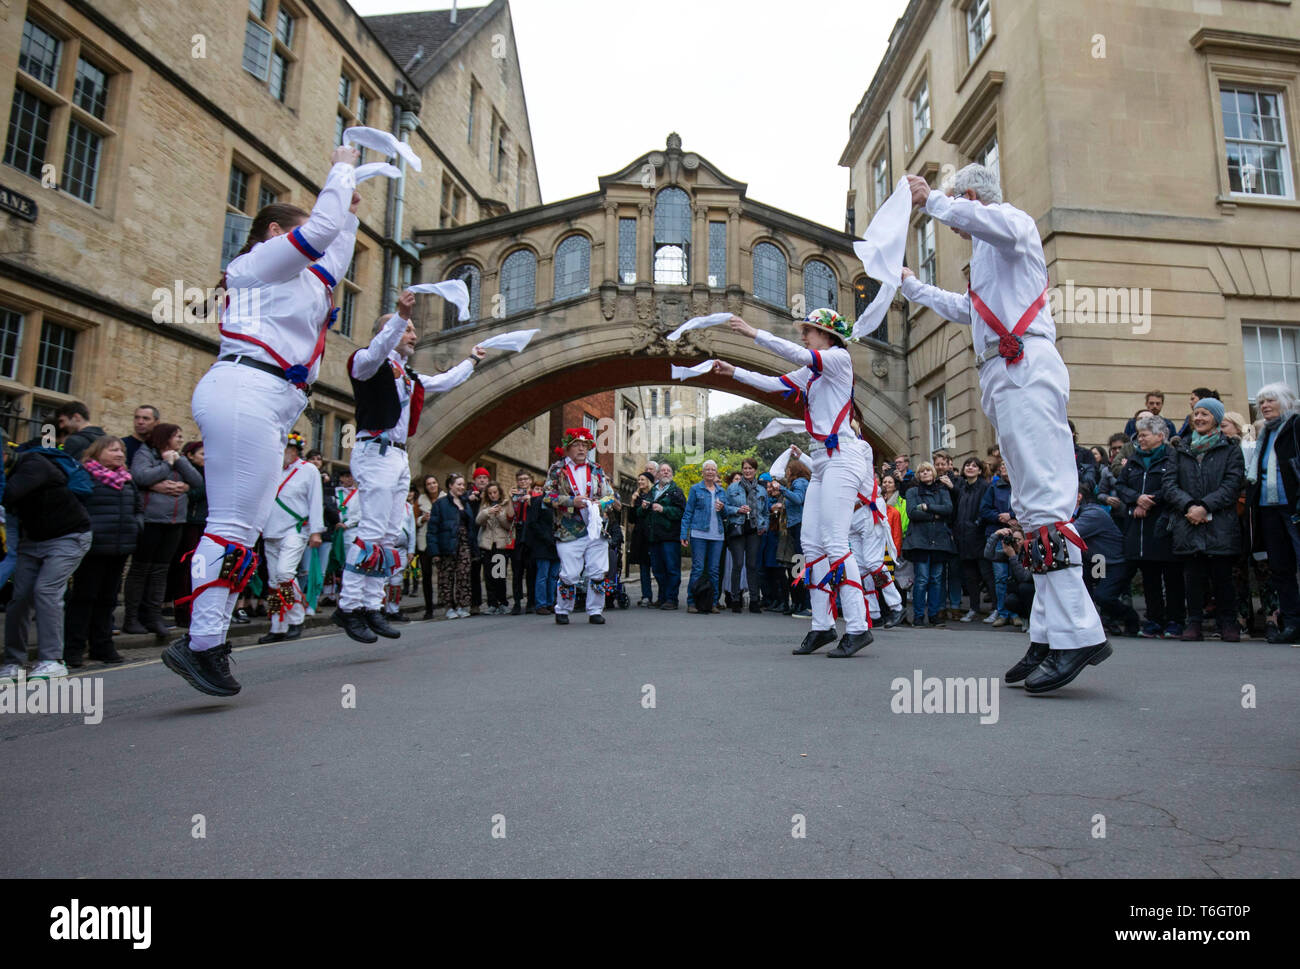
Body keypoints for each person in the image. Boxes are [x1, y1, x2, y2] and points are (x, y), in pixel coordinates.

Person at [900, 165, 1109, 692]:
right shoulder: (988, 263)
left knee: (1043, 504)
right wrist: (912, 287)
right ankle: (1047, 632)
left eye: (957, 209)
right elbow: (966, 309)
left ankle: (1078, 633)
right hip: (1003, 372)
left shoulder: (1011, 224)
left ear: (970, 198)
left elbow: (994, 225)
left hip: (1023, 368)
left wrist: (933, 202)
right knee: (1029, 509)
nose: (952, 225)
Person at [165, 145, 362, 697]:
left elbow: (334, 251)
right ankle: (203, 642)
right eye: (299, 232)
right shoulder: (254, 263)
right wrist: (342, 166)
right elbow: (321, 233)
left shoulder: (302, 279)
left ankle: (210, 639)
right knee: (230, 527)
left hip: (270, 400)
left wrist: (348, 208)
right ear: (275, 232)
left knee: (243, 533)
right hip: (245, 388)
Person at [714, 308, 873, 658]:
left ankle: (859, 626)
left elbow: (798, 354)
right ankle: (822, 625)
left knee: (834, 539)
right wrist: (733, 371)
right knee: (811, 543)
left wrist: (753, 333)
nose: (803, 336)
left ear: (827, 336)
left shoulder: (838, 358)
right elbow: (774, 383)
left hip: (843, 455)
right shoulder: (814, 373)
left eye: (809, 331)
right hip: (821, 459)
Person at [334, 290, 485, 643]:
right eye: (407, 330)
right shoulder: (365, 362)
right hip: (375, 450)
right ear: (386, 333)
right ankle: (348, 605)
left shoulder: (407, 374)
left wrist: (472, 360)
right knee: (371, 530)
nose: (414, 335)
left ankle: (372, 605)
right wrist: (399, 316)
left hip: (398, 455)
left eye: (413, 329)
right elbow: (377, 349)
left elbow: (443, 382)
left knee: (388, 534)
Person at [0, 444, 92, 682]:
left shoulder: (34, 464)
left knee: (46, 590)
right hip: (32, 541)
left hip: (69, 537)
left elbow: (8, 494)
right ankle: (13, 663)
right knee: (19, 598)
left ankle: (52, 661)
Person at [1163, 397, 1245, 642]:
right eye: (1196, 414)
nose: (1198, 418)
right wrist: (1189, 506)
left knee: (1222, 576)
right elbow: (1169, 485)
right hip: (1187, 521)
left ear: (1216, 420)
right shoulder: (1179, 448)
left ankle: (1228, 622)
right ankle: (1194, 623)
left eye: (1205, 414)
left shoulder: (1230, 448)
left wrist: (1205, 506)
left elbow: (1232, 484)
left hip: (1219, 522)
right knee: (1192, 576)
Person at [64, 436, 140, 667]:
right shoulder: (85, 476)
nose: (119, 454)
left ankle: (102, 646)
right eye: (113, 450)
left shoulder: (127, 480)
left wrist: (137, 526)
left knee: (108, 600)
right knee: (84, 598)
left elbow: (138, 508)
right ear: (98, 452)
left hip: (120, 547)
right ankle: (73, 649)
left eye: (121, 451)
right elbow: (75, 508)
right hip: (93, 547)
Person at [127, 423, 203, 638]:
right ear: (165, 437)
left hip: (175, 521)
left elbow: (197, 481)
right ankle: (132, 617)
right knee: (141, 570)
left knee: (161, 570)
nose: (180, 440)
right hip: (151, 520)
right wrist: (165, 466)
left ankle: (153, 615)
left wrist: (179, 464)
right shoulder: (146, 454)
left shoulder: (178, 457)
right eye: (176, 436)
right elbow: (140, 477)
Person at [1114, 415, 1184, 638]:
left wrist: (1149, 501)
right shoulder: (1134, 459)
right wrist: (1136, 499)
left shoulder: (1172, 458)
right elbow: (1121, 485)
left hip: (1164, 525)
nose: (1139, 439)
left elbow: (1175, 485)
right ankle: (1154, 619)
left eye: (1144, 435)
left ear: (1160, 436)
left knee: (1172, 577)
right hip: (1140, 529)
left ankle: (1175, 620)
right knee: (1150, 577)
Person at [543, 427, 621, 624]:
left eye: (584, 445)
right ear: (568, 448)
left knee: (597, 571)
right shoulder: (558, 469)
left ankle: (595, 610)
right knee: (569, 573)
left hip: (596, 528)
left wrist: (601, 503)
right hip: (569, 529)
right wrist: (571, 501)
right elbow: (547, 496)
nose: (581, 449)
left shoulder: (596, 469)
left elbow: (611, 495)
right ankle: (562, 609)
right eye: (576, 445)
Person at [1246, 383, 1300, 643]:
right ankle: (1292, 623)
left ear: (1286, 402)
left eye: (1270, 401)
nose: (1264, 406)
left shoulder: (1296, 427)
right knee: (1281, 568)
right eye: (1261, 402)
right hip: (1268, 508)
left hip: (1293, 506)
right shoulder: (1265, 433)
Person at [257, 432, 324, 644]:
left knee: (285, 573)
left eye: (286, 448)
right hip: (270, 530)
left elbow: (315, 501)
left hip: (295, 530)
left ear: (295, 450)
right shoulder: (271, 470)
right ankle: (278, 625)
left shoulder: (308, 470)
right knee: (274, 581)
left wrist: (316, 531)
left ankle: (296, 619)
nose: (282, 453)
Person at [1074, 484, 1141, 636]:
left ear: (1079, 496)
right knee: (1083, 585)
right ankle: (1104, 621)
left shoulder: (1092, 514)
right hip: (1099, 561)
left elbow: (1071, 533)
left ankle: (1130, 617)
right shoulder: (1079, 514)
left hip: (1116, 563)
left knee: (1104, 596)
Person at [902, 462, 956, 626]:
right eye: (922, 471)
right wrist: (935, 515)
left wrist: (927, 507)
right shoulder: (912, 491)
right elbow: (912, 512)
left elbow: (948, 509)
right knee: (922, 579)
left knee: (936, 579)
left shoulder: (942, 490)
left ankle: (934, 615)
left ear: (933, 473)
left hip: (939, 540)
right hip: (920, 540)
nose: (925, 473)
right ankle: (918, 616)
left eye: (928, 470)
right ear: (918, 475)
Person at [849, 472, 904, 628]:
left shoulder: (855, 459)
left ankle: (896, 606)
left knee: (873, 563)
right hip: (851, 517)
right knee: (861, 568)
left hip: (868, 511)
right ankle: (874, 613)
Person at [722, 457, 768, 613]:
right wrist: (737, 510)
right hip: (737, 528)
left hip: (755, 530)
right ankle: (735, 599)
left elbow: (765, 512)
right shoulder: (733, 488)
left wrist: (764, 526)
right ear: (742, 470)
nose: (747, 471)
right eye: (745, 468)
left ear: (755, 470)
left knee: (752, 565)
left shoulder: (762, 490)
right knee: (738, 564)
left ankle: (755, 600)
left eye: (750, 468)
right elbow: (724, 507)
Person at [680, 460, 726, 613]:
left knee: (714, 570)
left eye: (713, 469)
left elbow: (725, 515)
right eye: (707, 469)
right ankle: (691, 602)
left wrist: (723, 508)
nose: (710, 472)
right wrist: (684, 533)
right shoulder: (695, 489)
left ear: (716, 473)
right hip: (698, 533)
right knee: (698, 569)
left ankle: (712, 603)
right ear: (702, 472)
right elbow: (688, 512)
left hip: (717, 535)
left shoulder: (721, 491)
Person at [428, 473, 476, 619]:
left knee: (463, 575)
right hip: (447, 544)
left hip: (464, 543)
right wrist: (434, 551)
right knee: (446, 577)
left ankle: (462, 605)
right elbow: (432, 529)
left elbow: (470, 527)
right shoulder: (440, 504)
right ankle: (449, 607)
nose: (462, 487)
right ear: (450, 485)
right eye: (459, 484)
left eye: (463, 485)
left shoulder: (465, 503)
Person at [639, 460, 685, 610]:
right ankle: (662, 597)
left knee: (672, 568)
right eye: (663, 470)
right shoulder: (651, 492)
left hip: (670, 536)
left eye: (668, 471)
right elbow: (639, 513)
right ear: (657, 474)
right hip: (654, 537)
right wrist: (644, 507)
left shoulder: (676, 491)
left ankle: (671, 599)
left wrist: (664, 509)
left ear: (672, 475)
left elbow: (681, 512)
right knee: (657, 569)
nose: (665, 472)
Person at [953, 456, 994, 622]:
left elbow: (984, 511)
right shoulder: (962, 488)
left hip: (978, 537)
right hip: (962, 537)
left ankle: (997, 608)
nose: (970, 468)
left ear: (979, 470)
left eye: (974, 466)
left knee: (986, 575)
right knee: (970, 577)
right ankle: (973, 608)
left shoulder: (985, 487)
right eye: (967, 465)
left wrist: (976, 525)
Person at [978, 460, 1017, 626]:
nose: (1003, 468)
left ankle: (1016, 613)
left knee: (1015, 575)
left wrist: (1012, 515)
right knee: (1000, 577)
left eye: (1006, 465)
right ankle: (1002, 613)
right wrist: (998, 517)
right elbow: (984, 509)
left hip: (1017, 535)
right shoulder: (993, 488)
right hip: (997, 534)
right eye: (1001, 466)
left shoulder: (1020, 486)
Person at [931, 450, 963, 618]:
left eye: (943, 464)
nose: (940, 467)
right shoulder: (932, 482)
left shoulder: (958, 481)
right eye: (937, 464)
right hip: (938, 530)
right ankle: (941, 606)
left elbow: (963, 500)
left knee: (955, 571)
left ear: (949, 463)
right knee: (940, 572)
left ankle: (956, 606)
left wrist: (952, 487)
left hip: (955, 529)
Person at [475, 481, 514, 615]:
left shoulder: (506, 504)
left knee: (499, 575)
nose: (493, 495)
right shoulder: (484, 506)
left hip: (500, 545)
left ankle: (502, 602)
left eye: (495, 492)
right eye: (490, 493)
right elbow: (478, 521)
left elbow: (509, 526)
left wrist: (499, 516)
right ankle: (492, 603)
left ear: (499, 492)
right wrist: (487, 512)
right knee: (488, 575)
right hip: (487, 544)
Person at [780, 458, 812, 617]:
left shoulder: (799, 482)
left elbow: (799, 499)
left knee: (800, 563)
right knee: (797, 564)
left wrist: (782, 490)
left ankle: (803, 603)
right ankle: (799, 602)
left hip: (799, 525)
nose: (786, 472)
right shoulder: (802, 482)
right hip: (797, 525)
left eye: (788, 469)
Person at [525, 479, 559, 615]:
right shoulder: (539, 502)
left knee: (553, 576)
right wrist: (546, 538)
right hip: (543, 544)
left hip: (557, 543)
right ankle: (541, 604)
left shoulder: (559, 503)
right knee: (542, 575)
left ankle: (551, 602)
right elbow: (533, 523)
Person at [509, 471, 537, 615]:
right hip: (518, 535)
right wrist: (510, 500)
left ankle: (531, 601)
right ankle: (517, 602)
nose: (523, 482)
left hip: (531, 536)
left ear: (531, 480)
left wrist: (531, 500)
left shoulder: (536, 495)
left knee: (531, 571)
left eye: (526, 479)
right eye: (520, 479)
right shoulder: (514, 497)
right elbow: (508, 516)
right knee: (517, 572)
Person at [385, 494, 417, 623]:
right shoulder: (384, 504)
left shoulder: (408, 507)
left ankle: (393, 609)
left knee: (396, 580)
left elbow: (412, 530)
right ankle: (378, 610)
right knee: (383, 580)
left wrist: (411, 550)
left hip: (401, 549)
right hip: (386, 548)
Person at [628, 472, 656, 607]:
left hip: (653, 535)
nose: (640, 482)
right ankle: (646, 596)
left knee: (657, 567)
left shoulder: (655, 495)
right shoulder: (637, 496)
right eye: (638, 480)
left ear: (649, 481)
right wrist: (633, 502)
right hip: (640, 536)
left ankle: (663, 596)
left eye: (642, 479)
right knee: (644, 567)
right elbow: (631, 519)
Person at [416, 474, 439, 619]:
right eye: (429, 483)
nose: (432, 485)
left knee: (445, 575)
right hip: (424, 540)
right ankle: (429, 608)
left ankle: (449, 603)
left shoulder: (445, 497)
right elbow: (413, 519)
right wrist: (421, 519)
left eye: (434, 482)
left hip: (439, 540)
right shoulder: (420, 500)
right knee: (426, 576)